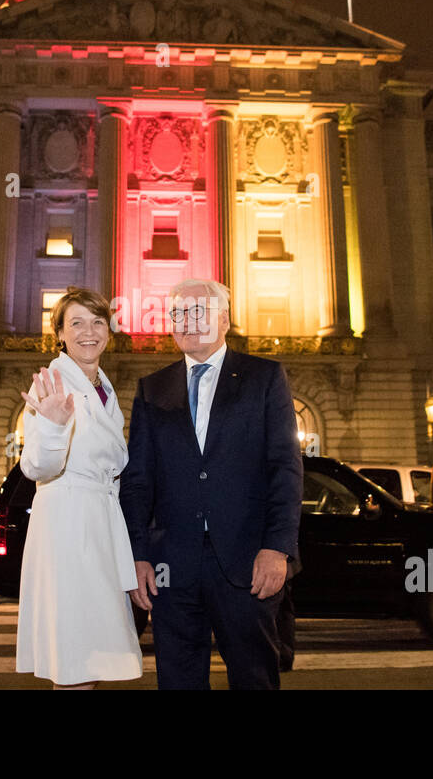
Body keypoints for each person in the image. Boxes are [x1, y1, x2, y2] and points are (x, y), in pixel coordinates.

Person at [121, 278, 302, 689]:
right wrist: (138, 555)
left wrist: (277, 548)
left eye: (197, 312)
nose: (186, 321)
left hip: (248, 562)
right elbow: (138, 481)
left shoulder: (265, 378)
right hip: (172, 566)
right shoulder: (152, 388)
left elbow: (285, 469)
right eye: (178, 314)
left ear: (224, 319)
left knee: (254, 677)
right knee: (178, 679)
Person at [15, 287, 142, 689]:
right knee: (76, 657)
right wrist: (51, 426)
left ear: (109, 330)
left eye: (97, 322)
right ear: (60, 334)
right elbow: (36, 466)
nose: (89, 332)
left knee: (95, 655)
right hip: (69, 528)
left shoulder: (104, 388)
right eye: (76, 323)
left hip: (99, 526)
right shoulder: (50, 384)